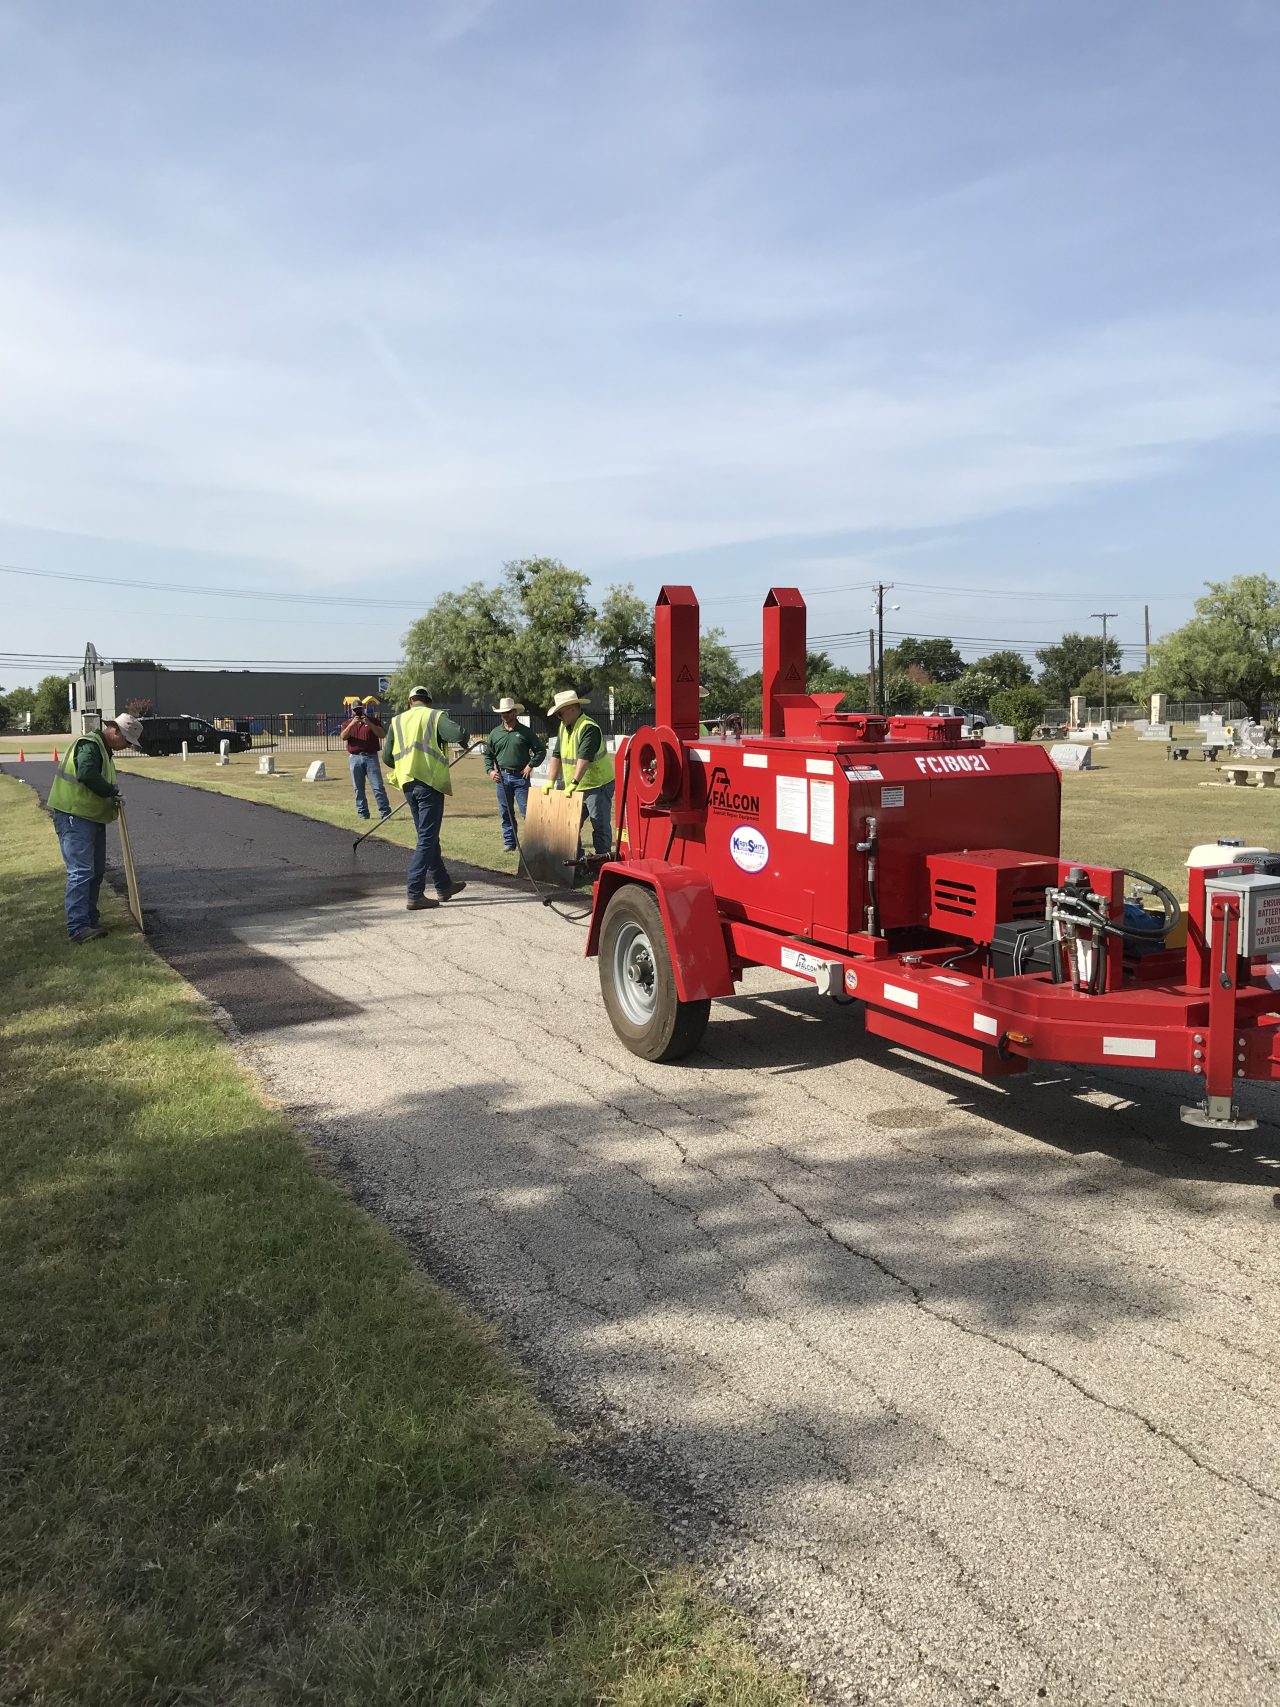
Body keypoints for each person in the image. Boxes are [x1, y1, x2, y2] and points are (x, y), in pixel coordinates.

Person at [47, 714, 144, 943]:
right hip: (74, 815)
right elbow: (86, 774)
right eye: (128, 740)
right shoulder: (89, 746)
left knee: (96, 871)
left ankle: (90, 920)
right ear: (115, 731)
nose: (128, 745)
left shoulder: (103, 750)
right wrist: (111, 792)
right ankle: (78, 928)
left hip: (90, 816)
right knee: (81, 872)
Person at [382, 687, 470, 910]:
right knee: (427, 839)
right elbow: (459, 734)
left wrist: (405, 765)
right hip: (429, 782)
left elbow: (387, 757)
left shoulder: (397, 721)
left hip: (408, 784)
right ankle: (415, 892)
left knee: (428, 837)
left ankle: (443, 885)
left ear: (410, 700)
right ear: (428, 701)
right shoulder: (434, 716)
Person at [543, 689, 615, 857]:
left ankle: (602, 861)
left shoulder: (588, 728)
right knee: (569, 825)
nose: (558, 717)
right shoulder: (564, 727)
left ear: (572, 709)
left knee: (600, 826)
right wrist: (550, 781)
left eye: (560, 713)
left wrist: (574, 782)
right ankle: (579, 861)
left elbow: (584, 758)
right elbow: (556, 755)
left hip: (597, 785)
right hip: (576, 788)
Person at [482, 696, 546, 852]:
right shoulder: (495, 733)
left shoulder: (525, 732)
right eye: (503, 712)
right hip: (501, 777)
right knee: (505, 811)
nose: (505, 715)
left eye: (508, 712)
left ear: (515, 712)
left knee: (527, 812)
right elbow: (487, 755)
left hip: (520, 777)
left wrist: (531, 765)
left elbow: (540, 751)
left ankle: (533, 842)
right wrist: (490, 771)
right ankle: (510, 842)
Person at [339, 698, 391, 823]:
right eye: (355, 710)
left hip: (370, 757)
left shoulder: (373, 721)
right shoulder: (347, 723)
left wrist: (369, 723)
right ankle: (363, 813)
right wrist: (353, 724)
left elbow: (382, 735)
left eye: (360, 710)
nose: (358, 712)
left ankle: (385, 812)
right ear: (352, 711)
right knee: (358, 788)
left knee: (377, 786)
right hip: (355, 758)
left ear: (364, 709)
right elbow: (343, 737)